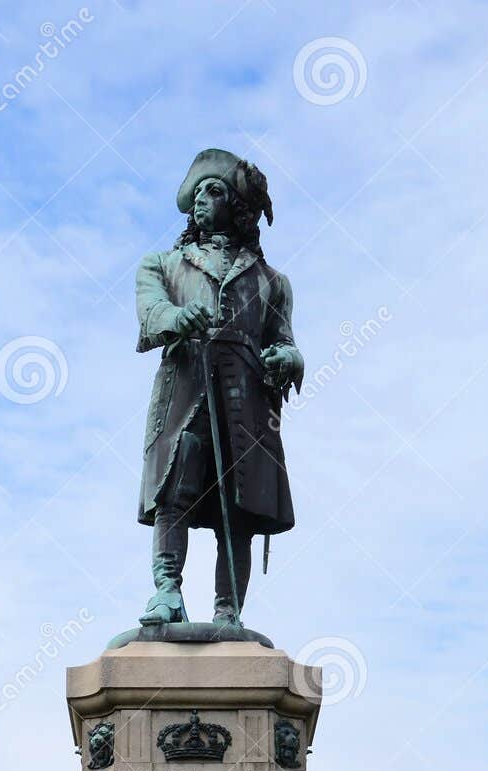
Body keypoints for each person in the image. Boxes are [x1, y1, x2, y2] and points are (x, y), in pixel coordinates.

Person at [136, 148, 303, 627]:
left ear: (236, 206)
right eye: (199, 194)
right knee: (175, 490)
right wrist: (177, 318)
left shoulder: (272, 281)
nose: (202, 202)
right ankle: (167, 591)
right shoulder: (163, 265)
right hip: (187, 392)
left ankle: (228, 611)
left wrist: (288, 359)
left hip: (245, 401)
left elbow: (286, 341)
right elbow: (150, 316)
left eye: (215, 192)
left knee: (241, 505)